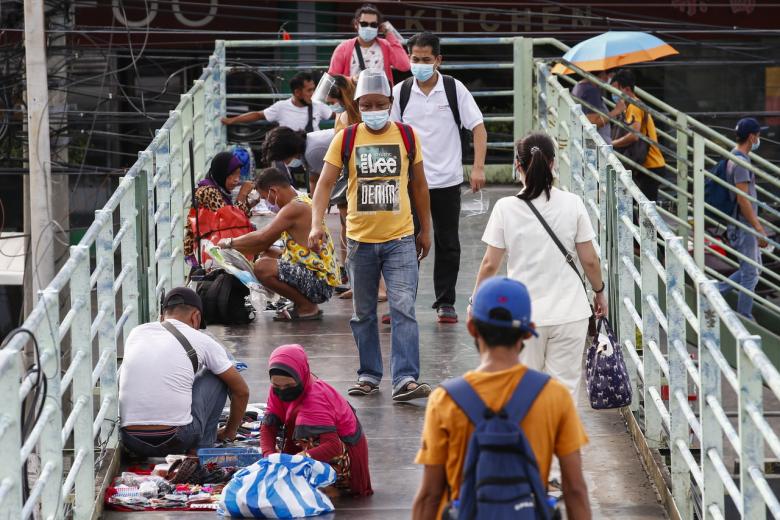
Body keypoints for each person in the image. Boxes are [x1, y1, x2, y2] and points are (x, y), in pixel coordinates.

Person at [411, 277, 591, 519]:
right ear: (528, 333)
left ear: (472, 328)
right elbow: (575, 489)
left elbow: (430, 495)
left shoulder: (445, 400)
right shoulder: (554, 396)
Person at [308, 69, 433, 402]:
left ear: (390, 104)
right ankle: (368, 374)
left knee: (403, 307)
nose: (374, 109)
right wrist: (316, 223)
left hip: (400, 239)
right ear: (358, 105)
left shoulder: (407, 136)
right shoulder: (346, 138)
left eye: (380, 104)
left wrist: (426, 229)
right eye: (367, 104)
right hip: (360, 243)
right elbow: (323, 185)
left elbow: (420, 186)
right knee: (363, 312)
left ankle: (405, 378)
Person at [473, 133, 607, 401]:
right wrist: (599, 291)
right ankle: (561, 442)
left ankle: (531, 443)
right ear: (554, 164)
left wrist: (476, 302)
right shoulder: (573, 203)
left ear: (517, 165)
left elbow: (490, 264)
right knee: (564, 394)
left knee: (524, 393)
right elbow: (590, 260)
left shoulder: (505, 208)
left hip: (523, 316)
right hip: (570, 313)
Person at [391, 31, 487, 324]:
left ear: (438, 60)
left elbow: (478, 127)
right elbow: (390, 134)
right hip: (410, 181)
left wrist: (478, 167)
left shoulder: (454, 89)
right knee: (406, 242)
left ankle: (445, 302)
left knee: (448, 242)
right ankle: (402, 301)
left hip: (446, 179)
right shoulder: (401, 92)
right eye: (415, 59)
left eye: (426, 59)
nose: (419, 64)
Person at [119, 287, 250, 456]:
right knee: (218, 375)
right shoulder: (203, 340)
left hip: (131, 441)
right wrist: (229, 432)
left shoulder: (136, 333)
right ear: (196, 317)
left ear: (162, 316)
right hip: (177, 439)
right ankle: (203, 448)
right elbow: (242, 391)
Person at [219, 167, 339, 322]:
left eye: (264, 197)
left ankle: (307, 307)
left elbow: (263, 238)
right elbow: (264, 245)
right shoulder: (302, 200)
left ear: (273, 192)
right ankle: (299, 303)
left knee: (262, 268)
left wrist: (230, 243)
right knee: (267, 254)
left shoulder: (293, 208)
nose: (266, 203)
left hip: (319, 284)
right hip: (320, 276)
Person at [260, 344, 373, 496]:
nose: (282, 390)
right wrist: (269, 457)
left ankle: (332, 485)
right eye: (276, 385)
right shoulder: (278, 387)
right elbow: (268, 426)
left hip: (345, 453)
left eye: (289, 385)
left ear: (301, 375)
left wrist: (299, 459)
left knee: (309, 435)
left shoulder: (315, 397)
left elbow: (333, 447)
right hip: (319, 447)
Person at [717, 117, 768, 320]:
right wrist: (758, 229)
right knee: (750, 273)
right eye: (758, 134)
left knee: (754, 270)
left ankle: (717, 292)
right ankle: (745, 317)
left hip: (743, 224)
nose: (759, 138)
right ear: (751, 137)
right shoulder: (740, 162)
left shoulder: (735, 156)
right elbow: (743, 200)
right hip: (744, 225)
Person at [184, 151, 254, 264]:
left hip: (211, 245)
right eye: (232, 174)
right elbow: (231, 221)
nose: (236, 179)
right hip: (202, 251)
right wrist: (242, 195)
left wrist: (249, 204)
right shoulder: (209, 191)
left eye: (238, 174)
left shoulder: (219, 190)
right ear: (222, 173)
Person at [610, 69, 666, 201]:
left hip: (650, 166)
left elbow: (634, 135)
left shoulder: (634, 106)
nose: (613, 94)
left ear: (627, 89)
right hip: (647, 165)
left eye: (616, 90)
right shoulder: (632, 105)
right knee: (639, 209)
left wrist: (612, 144)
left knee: (644, 213)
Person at [328, 3, 409, 86]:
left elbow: (404, 66)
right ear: (356, 24)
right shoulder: (343, 48)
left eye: (373, 25)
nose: (369, 28)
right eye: (364, 24)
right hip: (351, 97)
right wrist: (352, 80)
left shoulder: (386, 46)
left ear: (378, 27)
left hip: (380, 96)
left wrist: (389, 34)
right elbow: (332, 78)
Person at [222, 72, 333, 132]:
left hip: (312, 153)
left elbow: (337, 116)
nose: (313, 93)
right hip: (289, 154)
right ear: (297, 92)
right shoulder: (281, 107)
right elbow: (257, 115)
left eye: (313, 89)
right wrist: (231, 121)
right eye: (309, 90)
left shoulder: (318, 106)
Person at [259, 125, 334, 194]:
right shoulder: (305, 147)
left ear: (289, 151)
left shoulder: (312, 152)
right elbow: (313, 180)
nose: (285, 164)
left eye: (283, 159)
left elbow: (328, 183)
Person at [570, 69, 624, 144]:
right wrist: (616, 111)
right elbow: (593, 122)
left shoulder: (579, 86)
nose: (608, 79)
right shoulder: (591, 91)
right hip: (595, 144)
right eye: (608, 75)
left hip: (584, 139)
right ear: (602, 73)